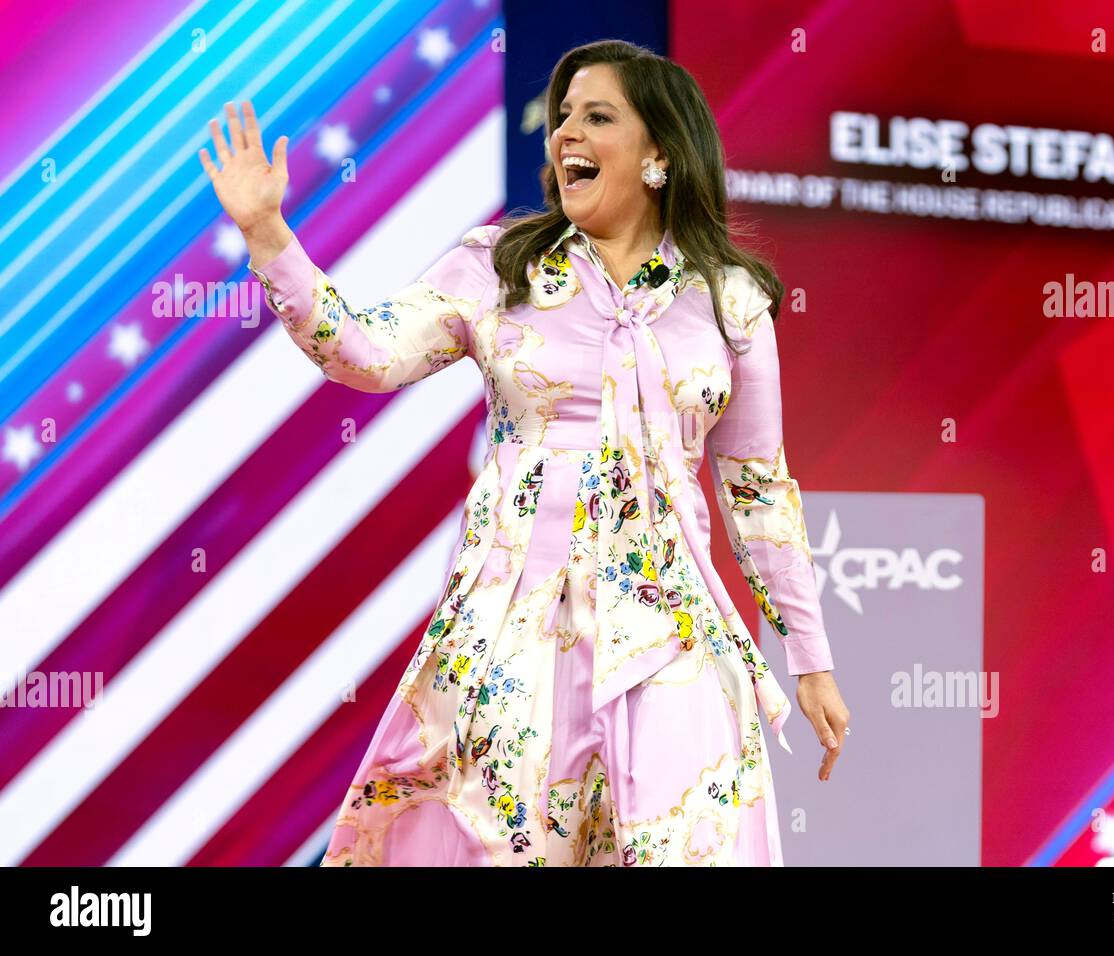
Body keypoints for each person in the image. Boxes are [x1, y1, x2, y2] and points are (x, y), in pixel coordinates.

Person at [199, 38, 850, 867]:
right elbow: (363, 351)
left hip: (673, 642)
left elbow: (758, 489)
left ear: (659, 153)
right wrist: (268, 236)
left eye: (598, 116)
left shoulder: (730, 302)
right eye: (563, 115)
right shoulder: (499, 266)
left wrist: (811, 659)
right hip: (517, 641)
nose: (567, 131)